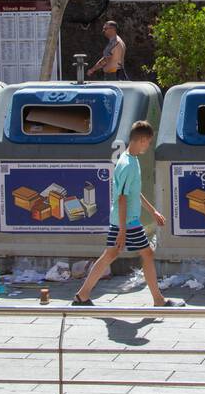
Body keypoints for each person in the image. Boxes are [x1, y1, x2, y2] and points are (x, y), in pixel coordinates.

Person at [72, 120, 181, 308]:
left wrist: (152, 210)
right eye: (148, 142)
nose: (148, 145)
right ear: (142, 140)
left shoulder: (131, 159)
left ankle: (82, 296)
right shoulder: (128, 164)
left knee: (110, 255)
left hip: (123, 220)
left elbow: (133, 192)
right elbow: (122, 198)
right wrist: (123, 230)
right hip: (127, 222)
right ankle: (158, 300)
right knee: (147, 253)